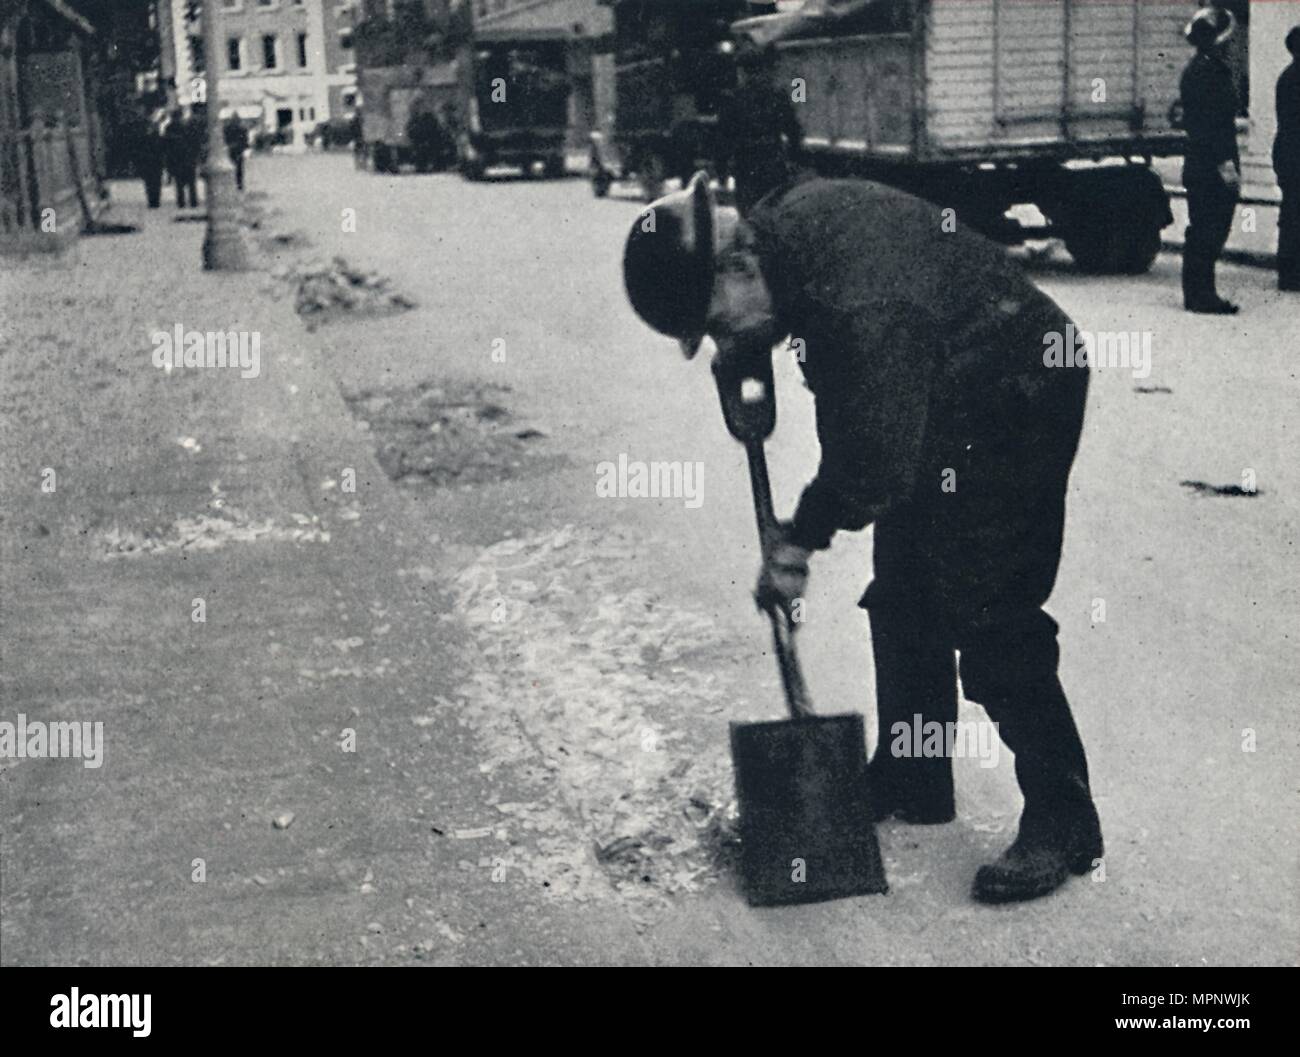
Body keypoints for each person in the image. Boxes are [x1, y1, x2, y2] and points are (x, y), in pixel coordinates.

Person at [622, 173, 1104, 904]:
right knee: (904, 590)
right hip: (938, 387)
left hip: (1017, 391)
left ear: (737, 266)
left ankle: (1066, 821)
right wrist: (747, 350)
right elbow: (855, 398)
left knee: (990, 608)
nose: (725, 339)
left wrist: (797, 541)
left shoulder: (861, 299)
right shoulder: (776, 233)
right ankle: (915, 772)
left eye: (718, 324)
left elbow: (870, 460)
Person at [1178, 6, 1241, 313]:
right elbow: (1212, 124)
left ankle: (1197, 292)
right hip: (1211, 164)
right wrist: (1225, 165)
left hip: (1198, 162)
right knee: (1211, 228)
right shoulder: (1211, 73)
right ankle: (1202, 295)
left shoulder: (1197, 69)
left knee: (1202, 227)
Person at [717, 41, 804, 214]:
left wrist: (722, 173)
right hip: (773, 163)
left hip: (746, 165)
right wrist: (795, 160)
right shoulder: (777, 96)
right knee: (775, 211)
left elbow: (723, 139)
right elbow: (794, 131)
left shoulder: (732, 100)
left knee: (749, 214)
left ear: (741, 71)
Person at [1274, 26, 1300, 291]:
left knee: (1292, 214)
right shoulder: (1295, 79)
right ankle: (1292, 274)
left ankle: (1290, 272)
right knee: (1294, 215)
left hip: (1288, 153)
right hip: (1295, 155)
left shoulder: (1288, 76)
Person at [164, 108, 200, 208]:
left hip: (178, 159)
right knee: (190, 183)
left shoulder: (169, 128)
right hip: (186, 159)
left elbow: (167, 146)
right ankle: (192, 202)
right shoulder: (187, 127)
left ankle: (182, 202)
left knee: (180, 184)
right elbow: (194, 143)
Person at [133, 109, 166, 209]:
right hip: (154, 163)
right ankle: (154, 200)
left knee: (151, 183)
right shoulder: (157, 138)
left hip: (150, 163)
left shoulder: (145, 138)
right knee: (154, 182)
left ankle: (153, 200)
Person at [223, 115, 250, 191]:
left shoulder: (227, 128)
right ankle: (239, 185)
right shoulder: (242, 129)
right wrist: (246, 148)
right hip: (239, 150)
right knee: (239, 169)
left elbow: (225, 139)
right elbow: (245, 140)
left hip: (231, 149)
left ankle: (234, 184)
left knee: (233, 166)